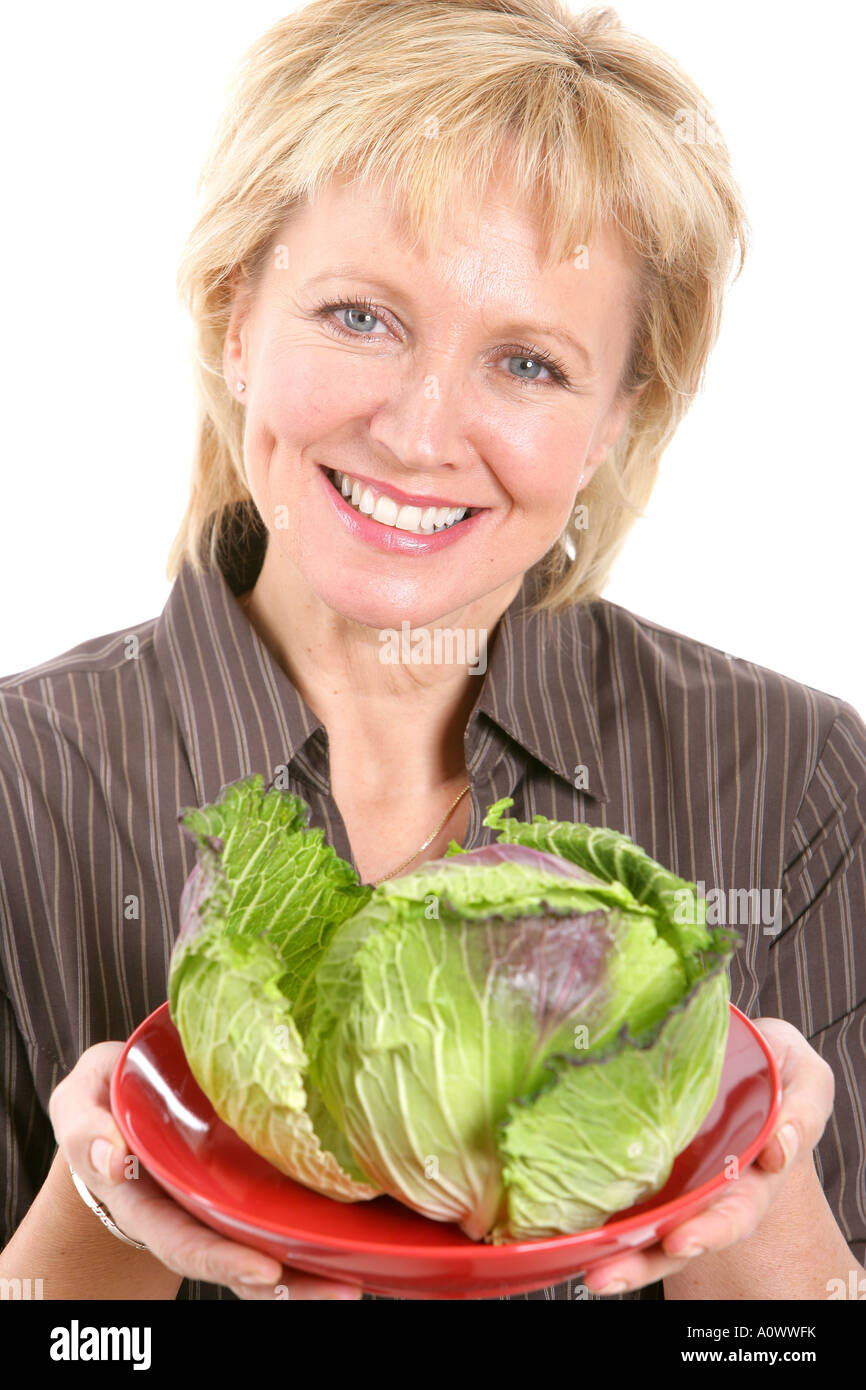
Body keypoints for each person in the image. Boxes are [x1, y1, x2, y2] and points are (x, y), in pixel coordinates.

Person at [1, 0, 864, 1302]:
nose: (416, 430)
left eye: (525, 361)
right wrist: (95, 1213)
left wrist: (755, 1173)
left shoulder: (793, 781)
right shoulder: (19, 786)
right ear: (237, 319)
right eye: (359, 317)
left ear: (612, 424)